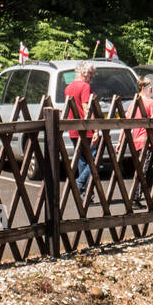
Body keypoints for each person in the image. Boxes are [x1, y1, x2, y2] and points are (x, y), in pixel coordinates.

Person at [66, 61, 96, 201]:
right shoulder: (85, 86)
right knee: (94, 158)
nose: (92, 76)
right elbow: (86, 107)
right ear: (83, 73)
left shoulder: (69, 87)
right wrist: (95, 129)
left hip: (73, 128)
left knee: (82, 160)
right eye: (90, 73)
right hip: (86, 129)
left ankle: (86, 193)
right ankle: (80, 182)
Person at [131, 76, 153, 206]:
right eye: (149, 86)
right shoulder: (151, 102)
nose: (152, 88)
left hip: (136, 140)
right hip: (146, 141)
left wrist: (120, 142)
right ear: (143, 88)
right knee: (144, 169)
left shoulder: (133, 102)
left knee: (147, 168)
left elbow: (127, 123)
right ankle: (135, 196)